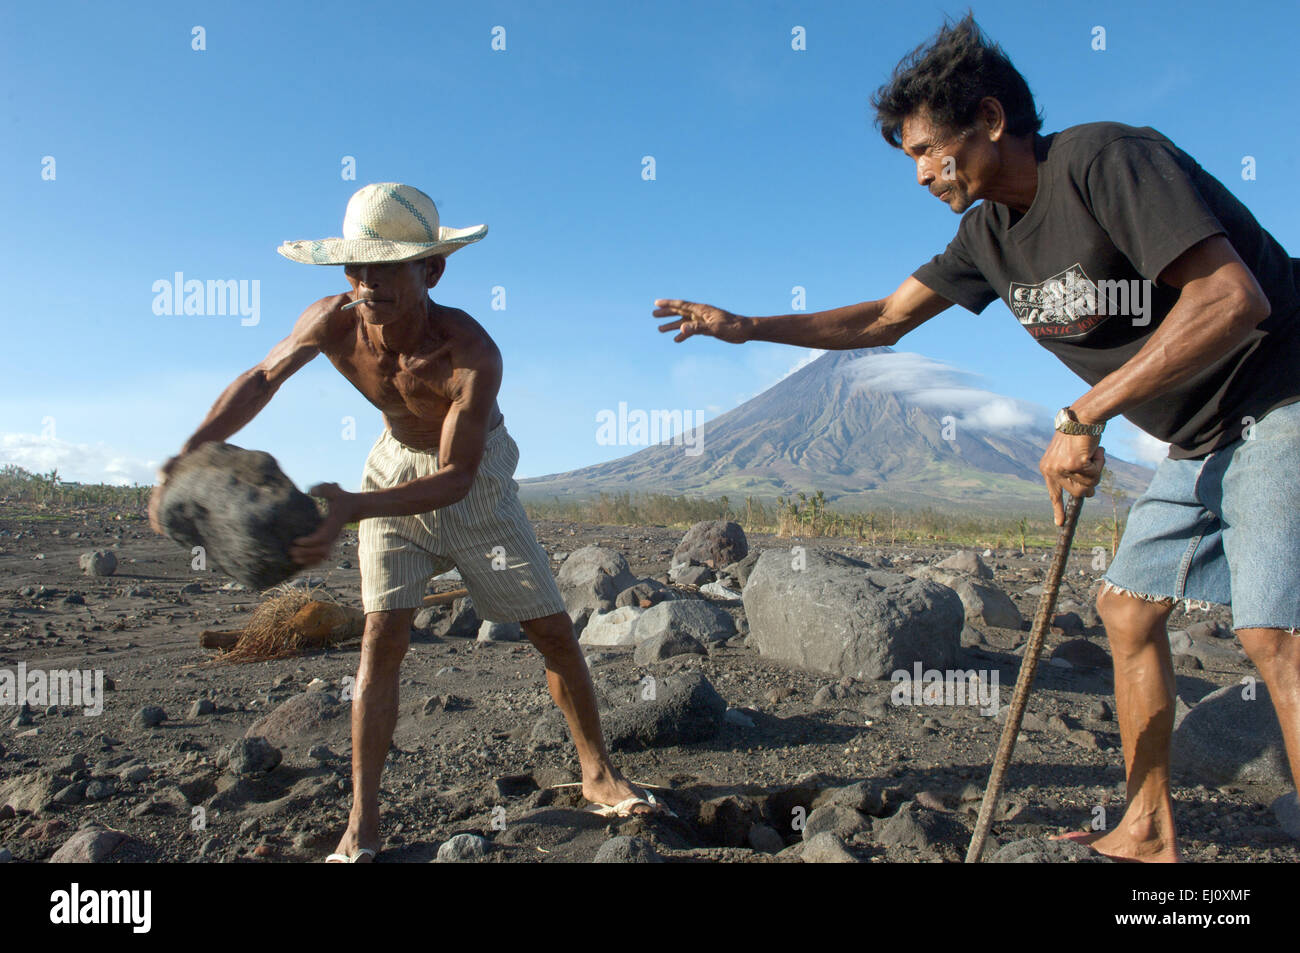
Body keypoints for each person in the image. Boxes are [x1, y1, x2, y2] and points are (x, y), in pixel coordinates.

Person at [653, 15, 1300, 862]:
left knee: (1271, 635)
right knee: (1126, 609)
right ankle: (1145, 828)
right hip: (1197, 436)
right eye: (910, 158)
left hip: (1280, 398)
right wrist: (748, 326)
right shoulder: (987, 236)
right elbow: (885, 319)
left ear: (991, 119)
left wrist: (1084, 412)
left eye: (928, 150)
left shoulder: (1107, 161)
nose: (920, 173)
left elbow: (1230, 298)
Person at [150, 183, 659, 863]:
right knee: (381, 637)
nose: (366, 285)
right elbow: (263, 376)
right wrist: (188, 454)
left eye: (385, 268)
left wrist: (352, 511)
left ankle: (596, 771)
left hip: (473, 484)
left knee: (552, 632)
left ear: (432, 270)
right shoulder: (332, 320)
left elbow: (455, 477)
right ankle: (363, 820)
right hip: (391, 466)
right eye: (356, 268)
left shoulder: (470, 352)